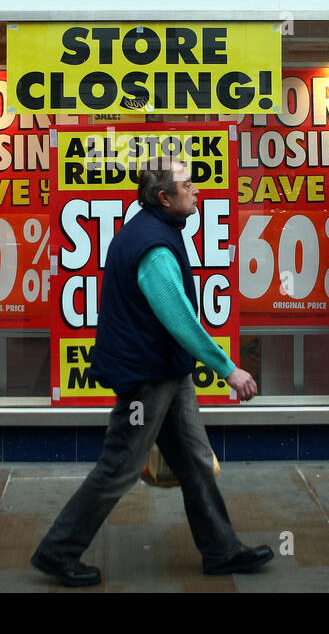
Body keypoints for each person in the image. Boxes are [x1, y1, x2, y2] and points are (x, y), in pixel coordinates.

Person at [31, 158, 273, 587]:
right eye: (188, 185)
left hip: (166, 372)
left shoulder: (151, 230)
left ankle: (221, 550)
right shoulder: (154, 247)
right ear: (165, 197)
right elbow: (179, 320)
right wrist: (228, 369)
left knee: (196, 463)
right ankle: (58, 550)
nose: (196, 189)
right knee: (120, 466)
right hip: (147, 377)